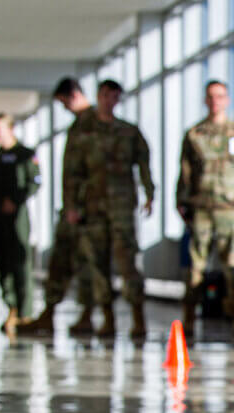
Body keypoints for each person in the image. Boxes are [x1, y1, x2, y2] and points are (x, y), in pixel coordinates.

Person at [64, 79, 154, 338]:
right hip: (92, 208)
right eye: (105, 95)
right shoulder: (82, 131)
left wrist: (150, 193)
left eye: (114, 96)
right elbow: (70, 172)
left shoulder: (129, 132)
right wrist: (70, 205)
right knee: (97, 263)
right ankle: (108, 319)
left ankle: (138, 319)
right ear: (98, 96)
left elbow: (144, 164)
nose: (109, 101)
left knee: (128, 263)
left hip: (122, 208)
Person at [19, 77, 99, 335]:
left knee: (86, 263)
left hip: (88, 211)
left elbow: (91, 171)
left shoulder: (96, 125)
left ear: (73, 95)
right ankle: (49, 314)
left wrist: (81, 206)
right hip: (73, 208)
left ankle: (86, 315)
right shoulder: (78, 125)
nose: (64, 108)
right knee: (60, 261)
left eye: (64, 102)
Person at [177, 80, 234, 336]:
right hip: (202, 207)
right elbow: (185, 171)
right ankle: (188, 318)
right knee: (195, 267)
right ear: (205, 100)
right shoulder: (195, 134)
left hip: (231, 208)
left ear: (227, 99)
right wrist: (182, 200)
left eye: (220, 96)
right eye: (211, 96)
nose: (215, 101)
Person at [0, 112, 41, 335]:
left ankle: (25, 313)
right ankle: (12, 307)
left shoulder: (25, 155)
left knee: (20, 262)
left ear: (10, 129)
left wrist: (15, 201)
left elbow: (34, 182)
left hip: (18, 216)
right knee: (1, 262)